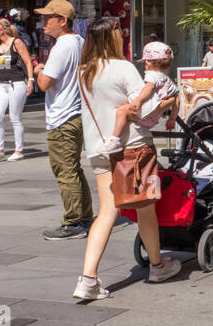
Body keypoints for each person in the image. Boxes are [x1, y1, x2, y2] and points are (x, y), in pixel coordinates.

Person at [72, 17, 180, 300]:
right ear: (112, 37)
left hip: (99, 149)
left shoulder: (84, 70)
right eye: (119, 31)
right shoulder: (124, 68)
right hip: (133, 149)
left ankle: (87, 279)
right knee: (146, 209)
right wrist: (169, 102)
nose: (123, 35)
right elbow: (146, 111)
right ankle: (157, 266)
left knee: (107, 212)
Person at [32, 0, 92, 240]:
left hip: (62, 116)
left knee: (64, 170)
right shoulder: (79, 41)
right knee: (74, 168)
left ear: (63, 21)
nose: (43, 22)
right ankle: (85, 215)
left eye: (49, 18)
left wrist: (39, 70)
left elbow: (45, 84)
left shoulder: (62, 46)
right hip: (76, 113)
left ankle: (73, 222)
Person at [106, 41, 180, 152]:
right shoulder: (168, 81)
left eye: (147, 61)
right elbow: (177, 100)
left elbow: (148, 88)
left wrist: (138, 100)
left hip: (145, 113)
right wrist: (172, 119)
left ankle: (115, 139)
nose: (145, 63)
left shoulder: (152, 75)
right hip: (154, 119)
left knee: (121, 111)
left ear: (152, 62)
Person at [0, 18, 33, 162]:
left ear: (1, 29)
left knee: (14, 117)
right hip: (2, 85)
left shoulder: (16, 43)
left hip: (16, 84)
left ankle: (19, 150)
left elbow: (28, 61)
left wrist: (30, 80)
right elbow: (0, 68)